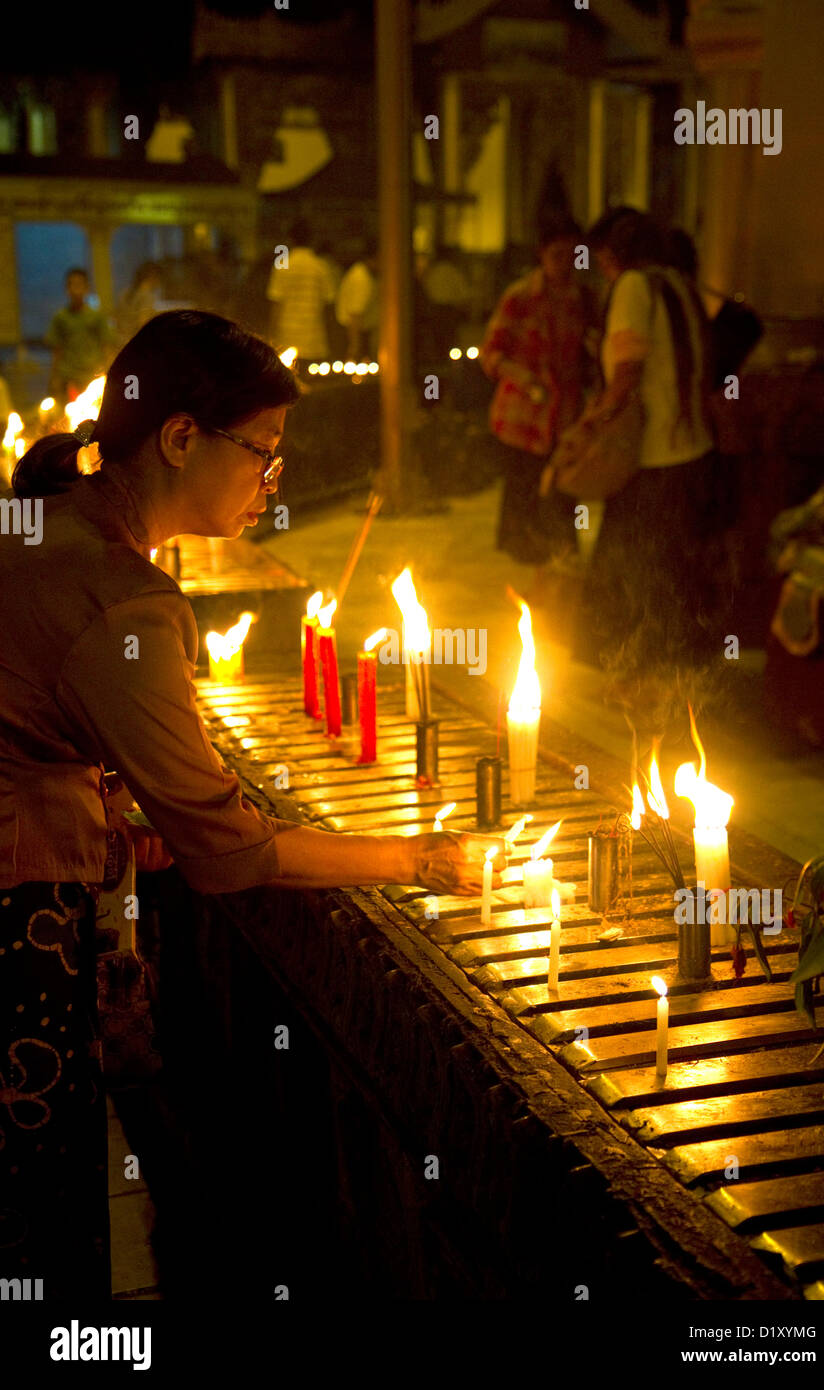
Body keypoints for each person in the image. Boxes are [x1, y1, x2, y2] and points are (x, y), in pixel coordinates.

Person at [1, 310, 505, 1300]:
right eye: (261, 455)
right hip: (15, 926)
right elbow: (227, 850)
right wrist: (416, 858)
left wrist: (117, 830)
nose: (270, 483)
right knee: (35, 1201)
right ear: (182, 437)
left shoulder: (47, 520)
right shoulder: (126, 599)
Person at [559, 208, 727, 727]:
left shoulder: (633, 285)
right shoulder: (676, 282)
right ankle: (675, 680)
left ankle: (641, 679)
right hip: (692, 450)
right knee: (672, 568)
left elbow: (627, 373)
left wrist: (587, 426)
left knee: (636, 571)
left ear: (611, 252)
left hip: (652, 458)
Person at [479, 214, 596, 585]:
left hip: (566, 415)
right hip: (523, 415)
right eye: (558, 255)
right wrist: (524, 379)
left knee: (562, 489)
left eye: (573, 255)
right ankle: (526, 573)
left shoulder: (584, 299)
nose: (566, 263)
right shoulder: (519, 297)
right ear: (542, 255)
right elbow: (491, 354)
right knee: (523, 489)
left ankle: (557, 561)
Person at [266, 218, 334, 364]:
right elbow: (329, 302)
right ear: (312, 239)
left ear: (290, 239)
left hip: (287, 336)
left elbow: (276, 303)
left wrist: (271, 336)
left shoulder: (282, 264)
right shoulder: (320, 266)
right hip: (314, 338)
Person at [45, 268, 115, 402]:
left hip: (92, 375)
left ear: (87, 288)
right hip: (69, 376)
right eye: (72, 285)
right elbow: (56, 350)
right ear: (67, 288)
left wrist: (109, 372)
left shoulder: (96, 316)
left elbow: (107, 346)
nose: (76, 289)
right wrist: (54, 378)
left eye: (80, 285)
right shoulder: (61, 317)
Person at [336, 242, 379, 361]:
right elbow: (355, 315)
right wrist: (355, 348)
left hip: (360, 333)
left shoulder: (364, 273)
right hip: (357, 335)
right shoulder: (361, 279)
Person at [115, 261, 163, 344]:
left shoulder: (125, 293)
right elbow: (143, 323)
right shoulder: (147, 296)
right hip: (134, 342)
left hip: (121, 341)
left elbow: (117, 317)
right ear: (153, 277)